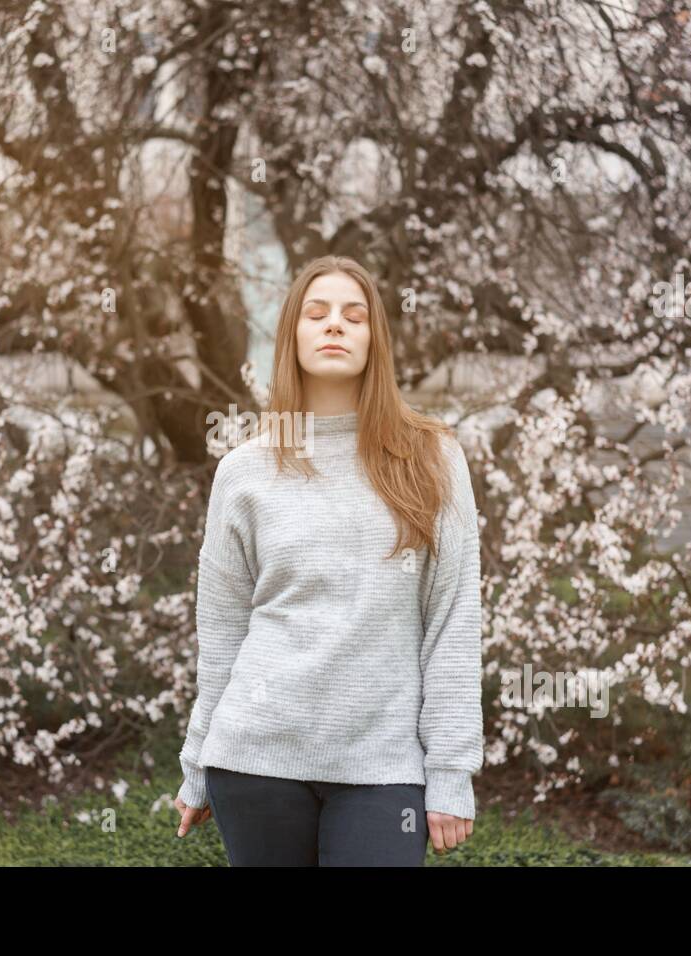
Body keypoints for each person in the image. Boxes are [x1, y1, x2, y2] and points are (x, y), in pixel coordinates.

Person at [172, 255, 484, 866]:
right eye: (316, 314)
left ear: (376, 340)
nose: (334, 325)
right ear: (291, 335)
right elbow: (224, 632)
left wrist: (450, 770)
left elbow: (453, 622)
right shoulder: (244, 472)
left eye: (353, 316)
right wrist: (197, 764)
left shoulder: (433, 458)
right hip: (255, 760)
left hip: (384, 766)